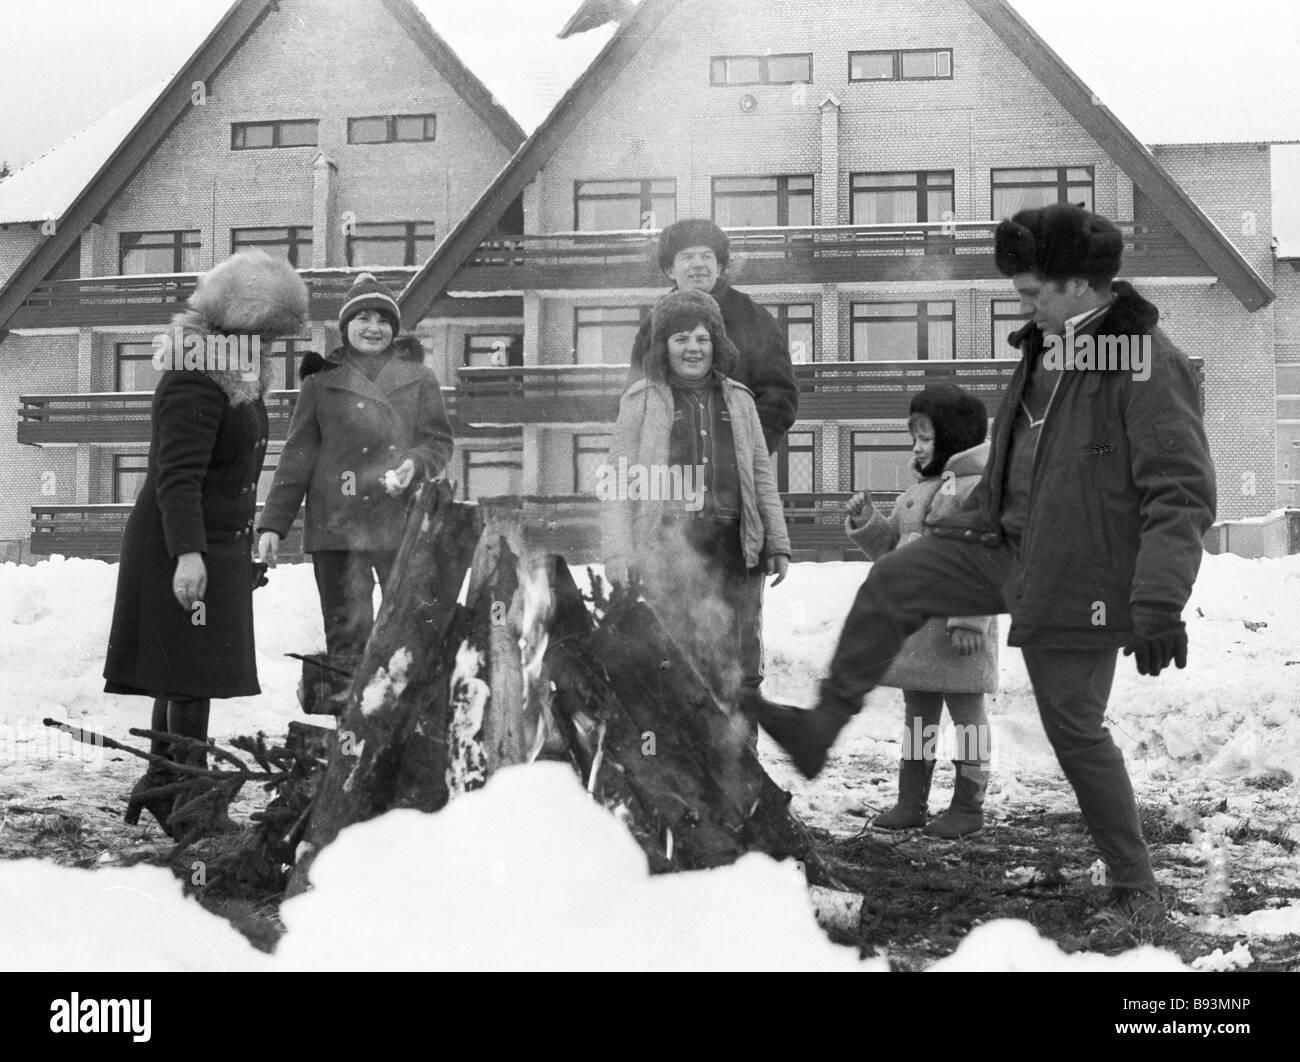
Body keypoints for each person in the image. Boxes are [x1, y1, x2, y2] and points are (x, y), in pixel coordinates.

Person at [755, 204, 1216, 924]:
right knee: (895, 578)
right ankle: (819, 729)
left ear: (1080, 285)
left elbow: (1179, 493)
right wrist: (961, 515)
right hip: (1001, 545)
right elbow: (1024, 454)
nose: (1020, 304)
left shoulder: (1149, 363)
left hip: (1081, 573)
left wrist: (1158, 603)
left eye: (1033, 292)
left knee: (1074, 727)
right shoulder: (1050, 345)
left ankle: (1134, 884)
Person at [105, 250, 309, 836]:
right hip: (178, 543)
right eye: (263, 334)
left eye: (276, 337)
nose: (270, 347)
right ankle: (189, 802)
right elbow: (178, 476)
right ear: (232, 325)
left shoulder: (232, 373)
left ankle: (166, 783)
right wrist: (189, 555)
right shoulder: (195, 379)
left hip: (213, 541)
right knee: (190, 674)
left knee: (188, 673)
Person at [256, 273, 454, 704]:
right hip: (336, 528)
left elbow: (439, 443)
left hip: (399, 524)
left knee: (407, 630)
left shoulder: (418, 379)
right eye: (362, 318)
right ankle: (349, 739)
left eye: (383, 320)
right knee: (347, 638)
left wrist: (414, 466)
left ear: (394, 329)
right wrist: (273, 525)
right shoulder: (319, 382)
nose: (373, 328)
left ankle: (403, 729)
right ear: (345, 327)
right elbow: (297, 458)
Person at [627, 218, 800, 697]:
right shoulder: (654, 326)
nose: (698, 265)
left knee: (737, 648)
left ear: (721, 264)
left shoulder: (752, 319)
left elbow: (780, 396)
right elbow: (637, 408)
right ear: (669, 269)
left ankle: (740, 760)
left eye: (707, 256)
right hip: (671, 519)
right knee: (673, 649)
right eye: (687, 258)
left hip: (732, 513)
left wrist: (740, 455)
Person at [847, 385, 997, 838]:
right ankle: (911, 802)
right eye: (914, 437)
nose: (916, 446)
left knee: (967, 716)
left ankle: (968, 808)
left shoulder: (973, 490)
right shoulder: (917, 493)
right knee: (919, 718)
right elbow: (894, 551)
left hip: (957, 632)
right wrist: (869, 522)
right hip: (917, 632)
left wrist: (970, 618)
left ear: (952, 438)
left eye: (926, 438)